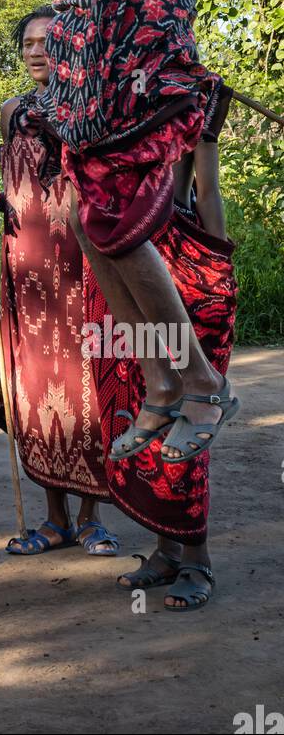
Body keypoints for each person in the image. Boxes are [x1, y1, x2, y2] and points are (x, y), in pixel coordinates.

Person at [8, 0, 238, 471]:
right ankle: (161, 383)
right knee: (93, 230)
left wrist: (138, 67)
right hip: (86, 72)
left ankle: (201, 383)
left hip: (132, 73)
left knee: (117, 226)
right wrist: (72, 70)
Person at [0, 6, 120, 557]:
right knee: (33, 393)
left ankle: (91, 517)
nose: (37, 52)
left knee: (87, 390)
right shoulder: (11, 112)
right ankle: (52, 520)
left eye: (48, 43)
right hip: (25, 268)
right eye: (29, 43)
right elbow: (9, 181)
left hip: (82, 266)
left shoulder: (92, 106)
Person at [100, 93, 237, 610]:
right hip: (142, 295)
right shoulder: (113, 140)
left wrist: (215, 263)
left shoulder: (185, 125)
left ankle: (196, 559)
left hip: (194, 282)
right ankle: (164, 550)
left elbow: (209, 193)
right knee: (153, 417)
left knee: (188, 423)